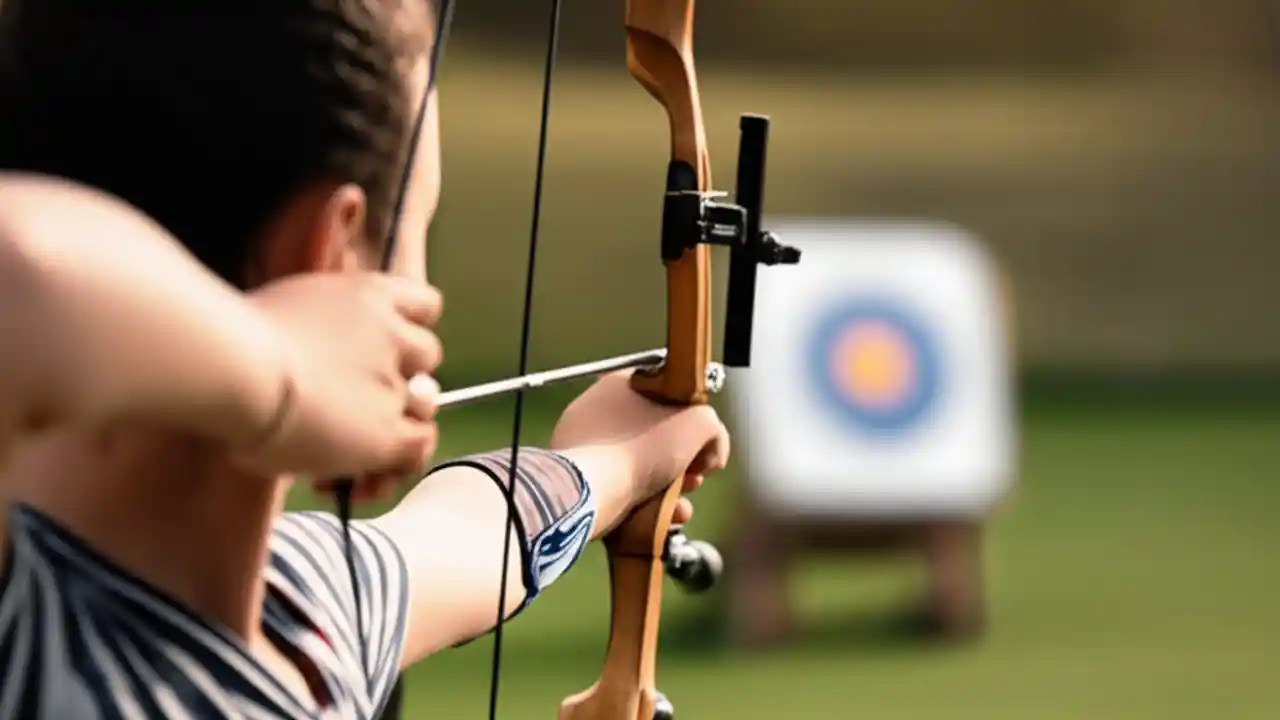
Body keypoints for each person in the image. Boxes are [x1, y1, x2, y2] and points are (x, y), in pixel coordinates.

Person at [0, 2, 730, 719]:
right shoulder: (26, 617)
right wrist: (281, 371)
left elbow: (482, 536)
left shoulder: (310, 623)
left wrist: (622, 463)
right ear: (335, 255)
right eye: (421, 230)